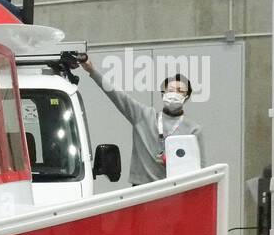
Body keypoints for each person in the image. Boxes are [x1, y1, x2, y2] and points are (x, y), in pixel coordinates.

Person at [75, 56, 206, 186]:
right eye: (170, 90)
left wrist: (171, 162)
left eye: (180, 91)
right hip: (141, 188)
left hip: (174, 190)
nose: (174, 94)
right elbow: (117, 95)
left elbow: (199, 169)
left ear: (187, 96)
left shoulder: (192, 130)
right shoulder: (144, 116)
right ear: (163, 94)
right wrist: (92, 71)